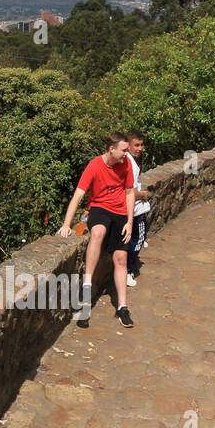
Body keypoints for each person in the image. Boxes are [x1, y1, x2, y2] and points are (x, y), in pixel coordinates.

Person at [56, 132, 136, 328]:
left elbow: (129, 193)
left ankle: (122, 307)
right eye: (124, 150)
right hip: (99, 208)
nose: (127, 154)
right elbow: (78, 195)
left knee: (121, 259)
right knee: (98, 233)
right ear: (112, 149)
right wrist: (66, 224)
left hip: (120, 212)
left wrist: (130, 222)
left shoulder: (126, 164)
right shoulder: (94, 165)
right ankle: (87, 284)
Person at [124, 131, 150, 287]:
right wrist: (144, 194)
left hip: (129, 209)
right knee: (138, 240)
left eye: (141, 144)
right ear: (128, 145)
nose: (140, 148)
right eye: (137, 145)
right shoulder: (130, 163)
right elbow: (130, 191)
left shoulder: (127, 160)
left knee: (132, 240)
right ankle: (128, 270)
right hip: (134, 209)